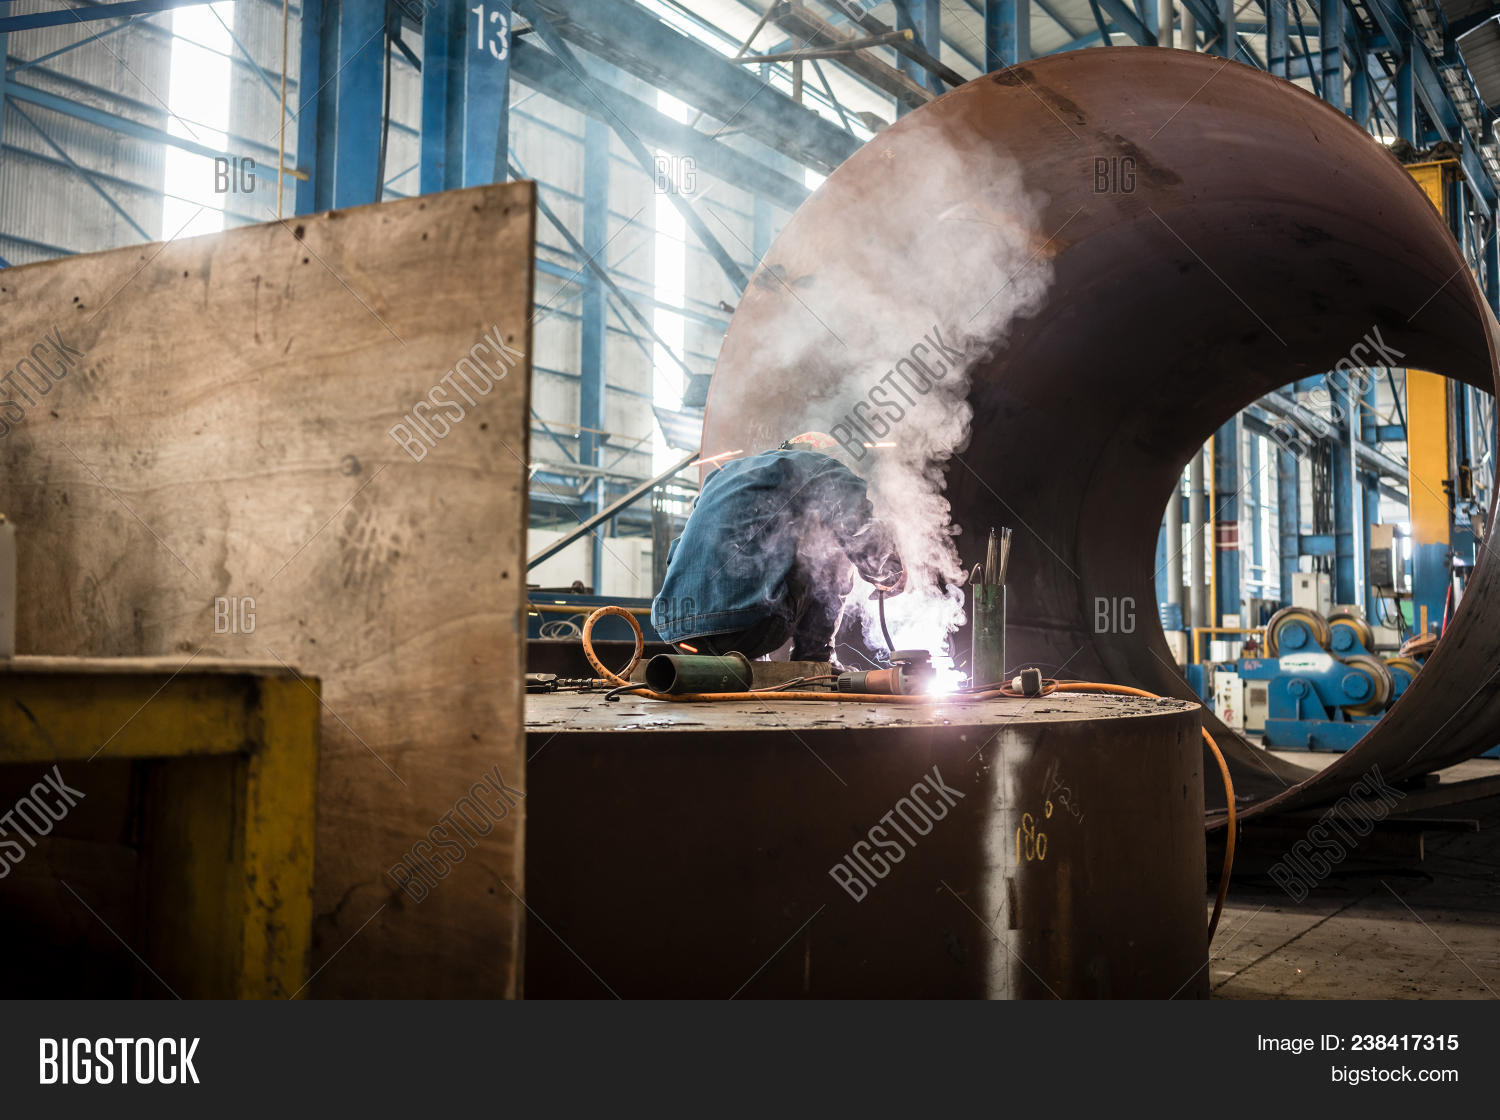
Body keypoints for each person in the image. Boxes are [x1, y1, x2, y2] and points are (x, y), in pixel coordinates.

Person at [652, 432, 905, 662]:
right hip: (747, 628)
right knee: (829, 541)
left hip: (677, 630)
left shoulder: (722, 475)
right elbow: (857, 527)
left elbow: (680, 550)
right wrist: (888, 572)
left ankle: (750, 660)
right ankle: (816, 660)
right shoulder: (822, 465)